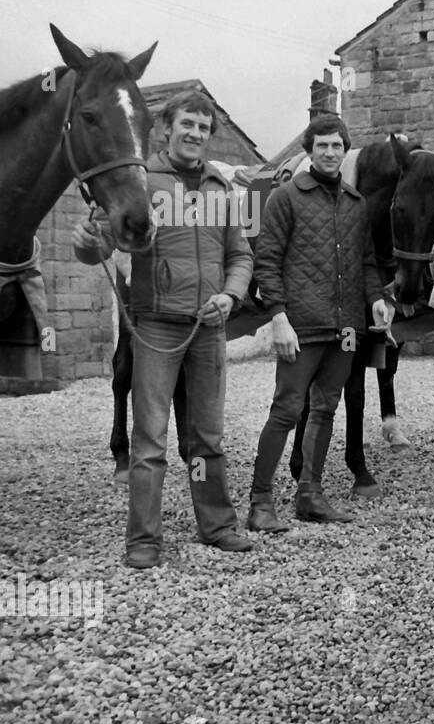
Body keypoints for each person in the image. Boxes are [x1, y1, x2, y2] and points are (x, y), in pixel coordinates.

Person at [72, 89, 254, 569]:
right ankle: (144, 539)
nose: (195, 133)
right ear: (167, 129)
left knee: (207, 438)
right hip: (155, 328)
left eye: (203, 126)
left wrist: (231, 296)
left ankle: (216, 525)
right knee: (150, 440)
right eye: (187, 124)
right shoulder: (143, 180)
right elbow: (98, 249)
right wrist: (87, 243)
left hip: (209, 330)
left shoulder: (221, 188)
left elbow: (241, 256)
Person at [247, 114, 393, 531]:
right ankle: (260, 503)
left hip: (346, 330)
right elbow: (267, 261)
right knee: (286, 410)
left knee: (325, 409)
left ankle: (309, 495)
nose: (330, 152)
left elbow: (365, 262)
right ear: (310, 151)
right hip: (302, 326)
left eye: (337, 146)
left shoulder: (355, 202)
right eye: (322, 145)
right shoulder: (285, 198)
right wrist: (278, 317)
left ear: (345, 152)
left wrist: (377, 299)